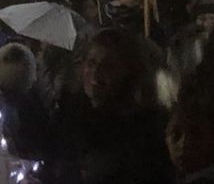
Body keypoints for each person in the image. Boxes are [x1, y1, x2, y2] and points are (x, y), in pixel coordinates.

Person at [53, 28, 173, 183]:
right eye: (92, 63)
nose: (96, 73)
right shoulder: (70, 115)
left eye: (109, 66)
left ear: (129, 72)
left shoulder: (145, 131)